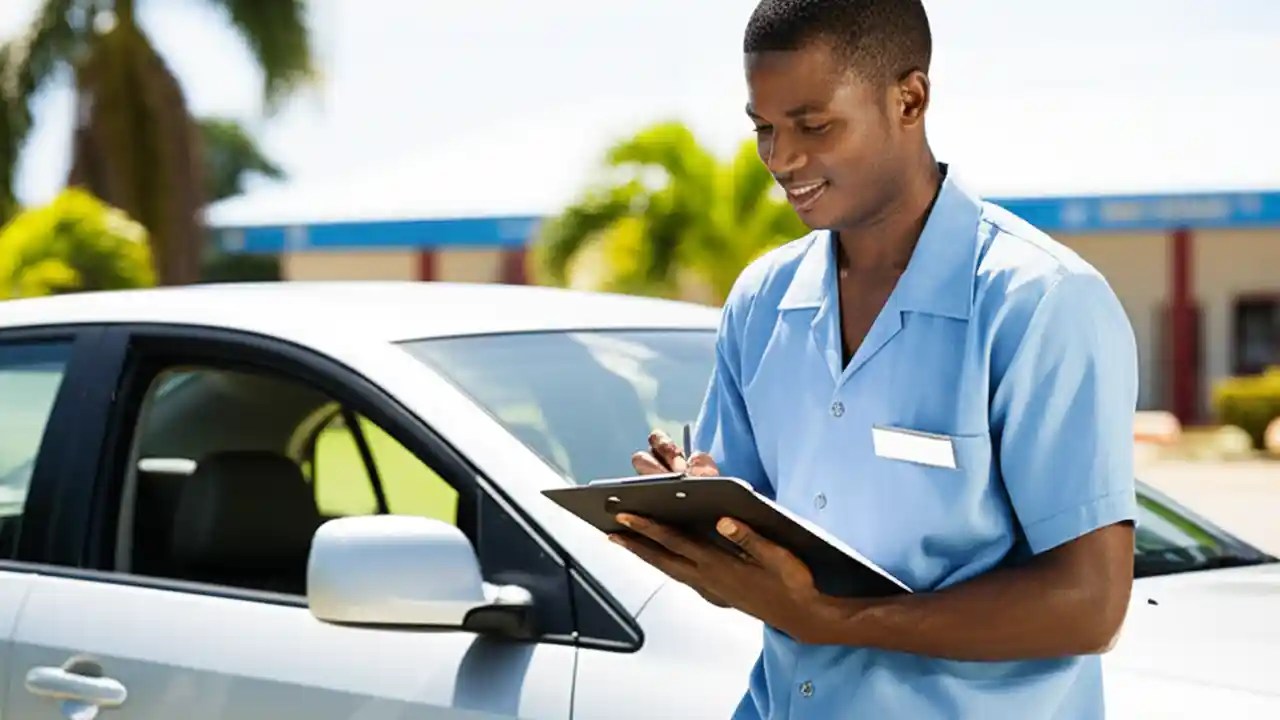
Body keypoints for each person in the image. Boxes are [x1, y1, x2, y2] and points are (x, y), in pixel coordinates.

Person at [611, 0, 1140, 717]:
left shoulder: (1040, 302)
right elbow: (763, 582)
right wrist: (702, 529)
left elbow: (1088, 607)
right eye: (764, 129)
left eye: (813, 125)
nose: (781, 159)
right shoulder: (762, 302)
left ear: (909, 99)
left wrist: (834, 622)